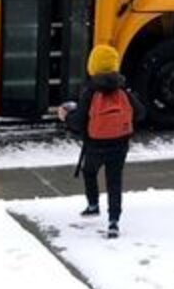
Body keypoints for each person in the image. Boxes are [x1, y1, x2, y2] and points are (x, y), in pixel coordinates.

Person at [56, 44, 144, 238]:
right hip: (120, 144)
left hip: (96, 144)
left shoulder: (90, 91)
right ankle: (113, 222)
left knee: (89, 171)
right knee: (114, 181)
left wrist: (65, 117)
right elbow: (140, 113)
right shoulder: (123, 90)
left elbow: (79, 122)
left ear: (92, 66)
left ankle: (93, 204)